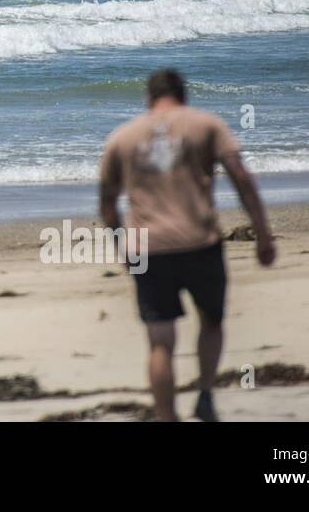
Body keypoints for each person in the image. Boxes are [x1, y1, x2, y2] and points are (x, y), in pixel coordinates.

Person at [98, 68, 275, 423]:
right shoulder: (206, 125)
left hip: (148, 249)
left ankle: (167, 417)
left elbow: (106, 202)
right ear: (184, 95)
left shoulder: (123, 137)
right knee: (211, 320)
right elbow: (241, 177)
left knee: (160, 342)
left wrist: (123, 247)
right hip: (200, 242)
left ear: (148, 98)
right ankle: (205, 393)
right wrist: (263, 233)